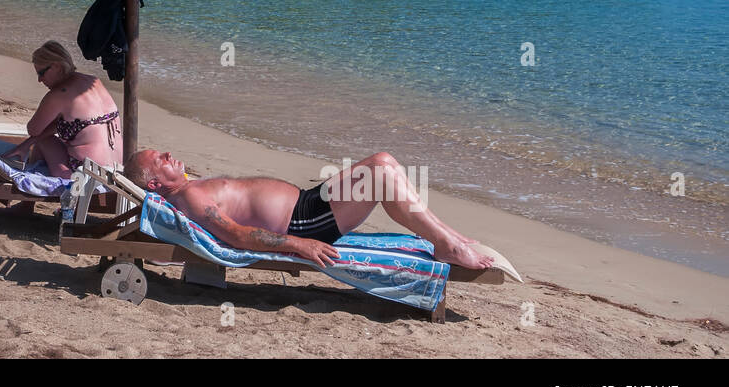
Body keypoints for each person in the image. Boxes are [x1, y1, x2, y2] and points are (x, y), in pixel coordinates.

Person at [124, 149, 497, 270]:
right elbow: (234, 235)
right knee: (381, 173)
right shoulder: (188, 198)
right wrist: (296, 245)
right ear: (155, 184)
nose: (169, 154)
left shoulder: (189, 185)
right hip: (305, 223)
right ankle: (447, 244)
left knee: (383, 162)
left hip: (307, 205)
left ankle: (446, 237)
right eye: (160, 159)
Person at [5, 41, 122, 176]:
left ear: (57, 67)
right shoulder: (94, 82)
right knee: (46, 139)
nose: (40, 80)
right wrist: (26, 145)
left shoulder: (59, 95)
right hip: (115, 170)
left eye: (41, 73)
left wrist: (28, 143)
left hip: (83, 177)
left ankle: (29, 182)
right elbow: (78, 122)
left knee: (43, 141)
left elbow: (33, 129)